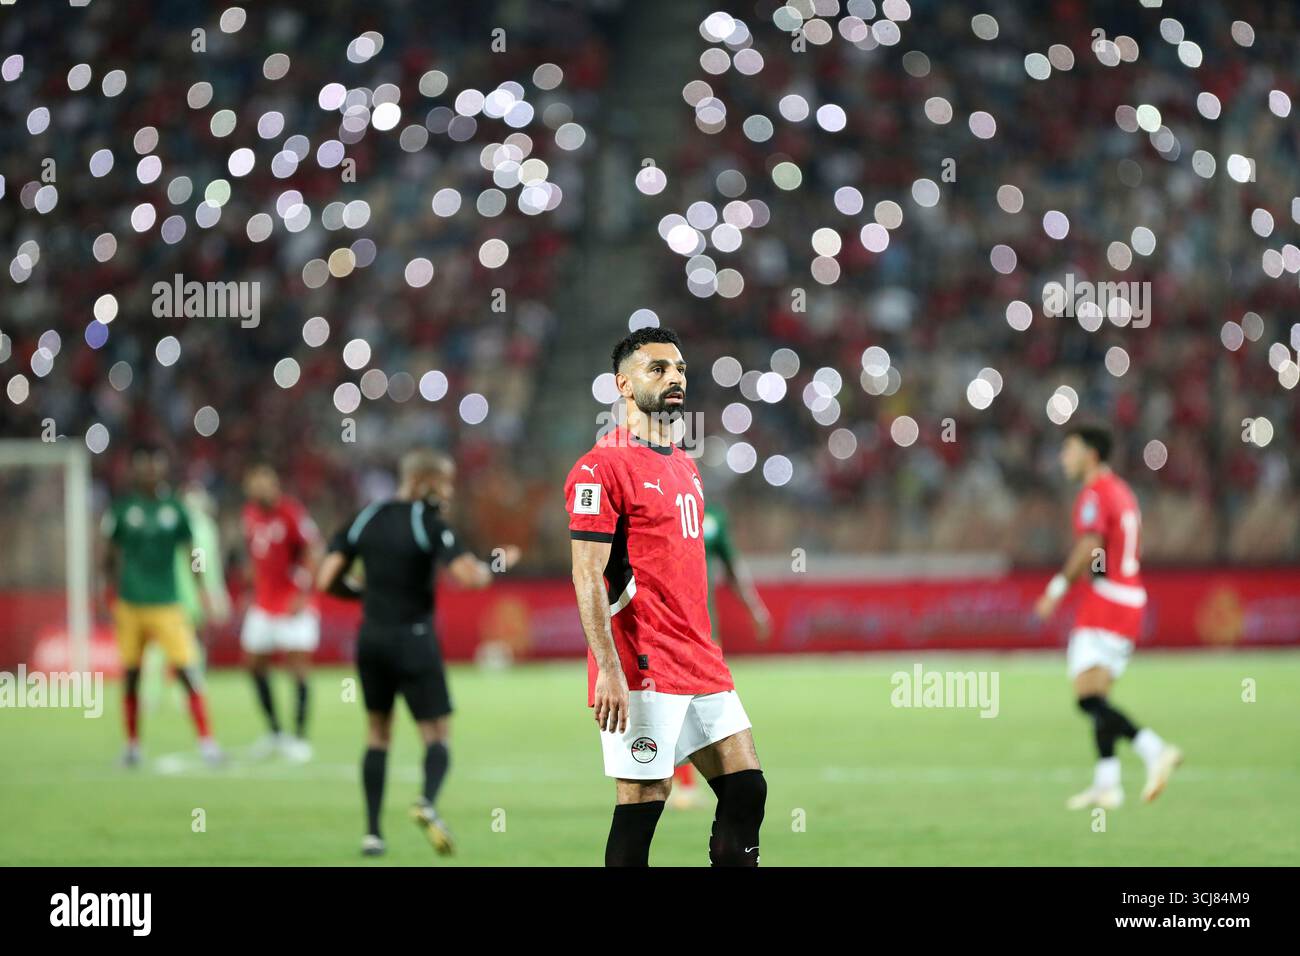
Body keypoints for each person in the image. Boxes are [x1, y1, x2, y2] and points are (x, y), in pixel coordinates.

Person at [565, 327, 766, 866]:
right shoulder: (601, 466)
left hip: (700, 657)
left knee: (747, 789)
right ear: (623, 385)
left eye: (679, 368)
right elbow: (588, 575)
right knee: (645, 801)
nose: (674, 377)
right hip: (643, 663)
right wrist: (609, 667)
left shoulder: (684, 464)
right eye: (657, 369)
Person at [317, 449, 521, 857]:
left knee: (377, 733)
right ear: (425, 481)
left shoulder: (365, 517)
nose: (447, 492)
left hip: (371, 639)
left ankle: (372, 833)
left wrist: (364, 595)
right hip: (414, 640)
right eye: (444, 483)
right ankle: (426, 801)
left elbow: (326, 580)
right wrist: (498, 563)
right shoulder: (427, 521)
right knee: (437, 734)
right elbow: (469, 576)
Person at [1035, 423, 1183, 809]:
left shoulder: (1095, 492)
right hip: (1128, 597)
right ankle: (1107, 784)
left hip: (1108, 604)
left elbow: (1091, 543)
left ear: (1092, 454)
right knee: (1098, 696)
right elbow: (1106, 550)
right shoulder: (1120, 490)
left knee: (1086, 699)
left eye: (1070, 449)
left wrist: (1056, 590)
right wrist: (1100, 569)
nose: (1063, 457)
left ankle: (1154, 750)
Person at [100, 445, 222, 767]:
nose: (149, 471)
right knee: (131, 675)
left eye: (155, 465)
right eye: (143, 465)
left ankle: (207, 742)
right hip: (130, 604)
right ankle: (132, 745)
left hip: (168, 604)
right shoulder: (123, 509)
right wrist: (108, 592)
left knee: (186, 672)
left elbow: (192, 552)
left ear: (163, 469)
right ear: (135, 469)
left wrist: (203, 589)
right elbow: (109, 555)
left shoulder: (176, 510)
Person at [671, 501, 770, 810]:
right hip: (667, 630)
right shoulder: (652, 506)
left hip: (706, 633)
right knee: (675, 705)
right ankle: (681, 782)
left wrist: (754, 607)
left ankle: (721, 779)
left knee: (710, 709)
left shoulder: (712, 517)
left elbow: (732, 566)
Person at [241, 464, 322, 761]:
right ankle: (275, 732)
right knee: (253, 665)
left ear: (275, 485)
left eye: (265, 482)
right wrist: (251, 590)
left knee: (297, 668)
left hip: (291, 602)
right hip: (263, 602)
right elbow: (257, 556)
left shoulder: (291, 512)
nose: (259, 489)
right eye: (254, 483)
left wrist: (303, 593)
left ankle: (299, 737)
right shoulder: (249, 514)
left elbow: (313, 550)